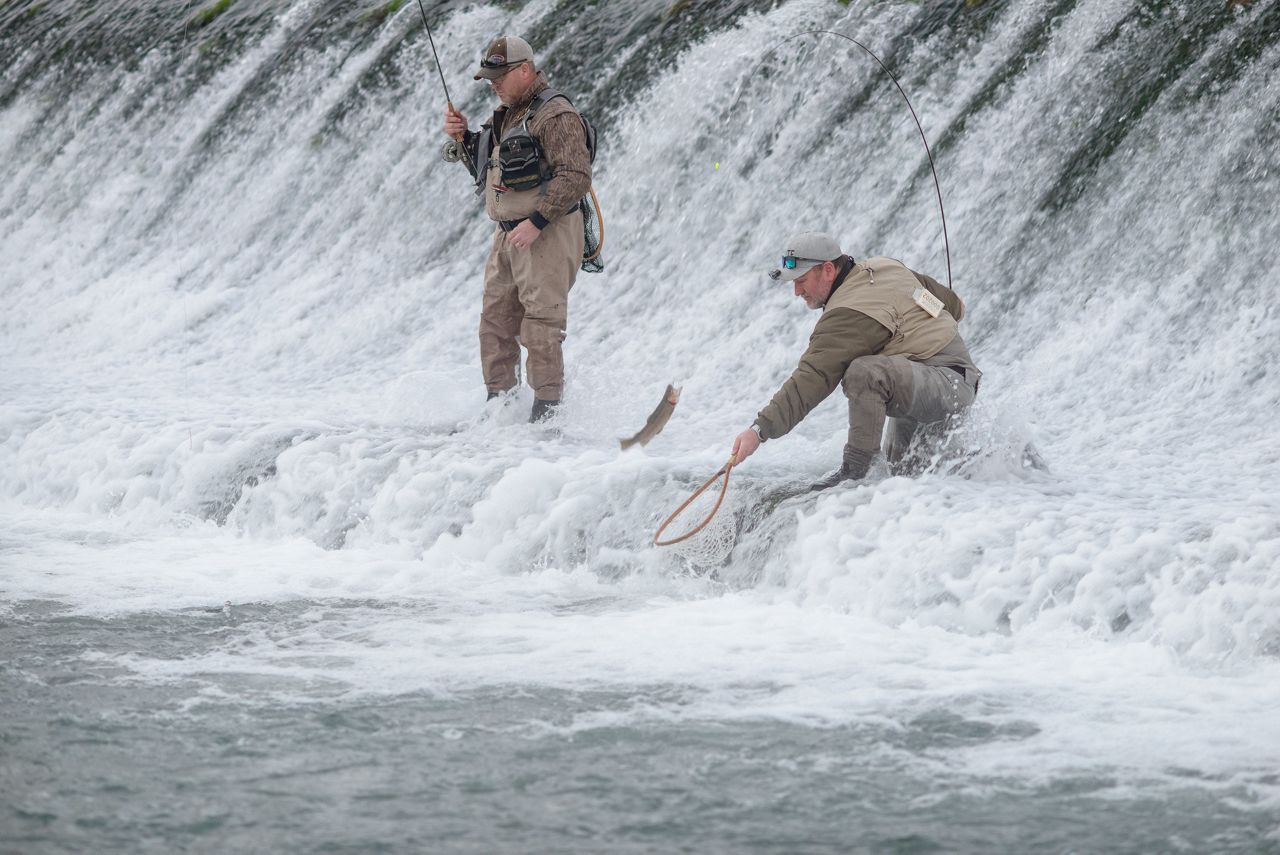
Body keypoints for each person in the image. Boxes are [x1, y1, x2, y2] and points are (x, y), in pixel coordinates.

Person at [730, 231, 981, 489]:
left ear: (828, 269)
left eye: (802, 280)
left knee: (864, 373)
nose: (796, 291)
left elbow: (811, 379)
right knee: (902, 480)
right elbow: (955, 306)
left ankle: (857, 474)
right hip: (933, 383)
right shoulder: (885, 266)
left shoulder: (848, 314)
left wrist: (759, 431)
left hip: (946, 385)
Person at [442, 35, 592, 423]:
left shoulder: (555, 114)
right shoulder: (507, 111)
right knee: (494, 324)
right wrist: (463, 140)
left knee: (540, 327)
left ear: (525, 70)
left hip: (547, 234)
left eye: (499, 76)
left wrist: (536, 222)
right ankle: (500, 418)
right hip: (507, 235)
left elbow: (576, 175)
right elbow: (487, 171)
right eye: (489, 77)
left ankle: (546, 423)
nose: (492, 83)